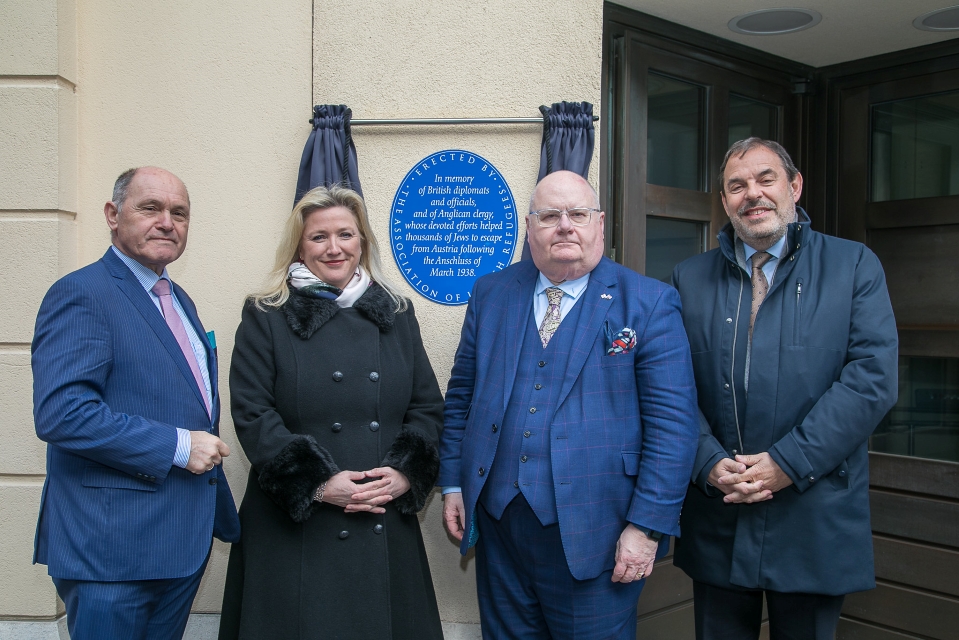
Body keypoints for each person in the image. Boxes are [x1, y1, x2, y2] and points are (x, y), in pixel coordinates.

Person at [439, 170, 700, 639]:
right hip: (500, 529)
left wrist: (645, 528)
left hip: (597, 534)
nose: (565, 226)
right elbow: (461, 399)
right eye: (549, 215)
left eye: (577, 214)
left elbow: (673, 429)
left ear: (600, 224)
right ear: (529, 226)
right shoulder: (491, 293)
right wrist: (453, 484)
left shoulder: (649, 302)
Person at [671, 138, 899, 640]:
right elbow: (670, 389)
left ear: (794, 186)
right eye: (737, 186)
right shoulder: (688, 279)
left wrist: (788, 463)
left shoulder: (854, 266)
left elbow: (871, 381)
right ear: (726, 202)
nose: (752, 193)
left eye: (765, 179)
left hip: (811, 515)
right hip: (719, 514)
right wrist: (707, 460)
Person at [219, 185, 444, 640]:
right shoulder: (266, 313)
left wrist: (404, 474)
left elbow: (426, 407)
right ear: (299, 246)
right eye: (319, 237)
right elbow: (252, 414)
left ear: (363, 242)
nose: (334, 247)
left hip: (381, 514)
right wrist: (318, 483)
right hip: (294, 527)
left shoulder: (397, 313)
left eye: (346, 234)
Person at [31, 166, 241, 639]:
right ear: (113, 214)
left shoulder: (176, 298)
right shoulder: (82, 293)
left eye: (179, 213)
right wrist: (180, 446)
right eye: (150, 208)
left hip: (178, 544)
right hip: (112, 553)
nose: (167, 222)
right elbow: (63, 413)